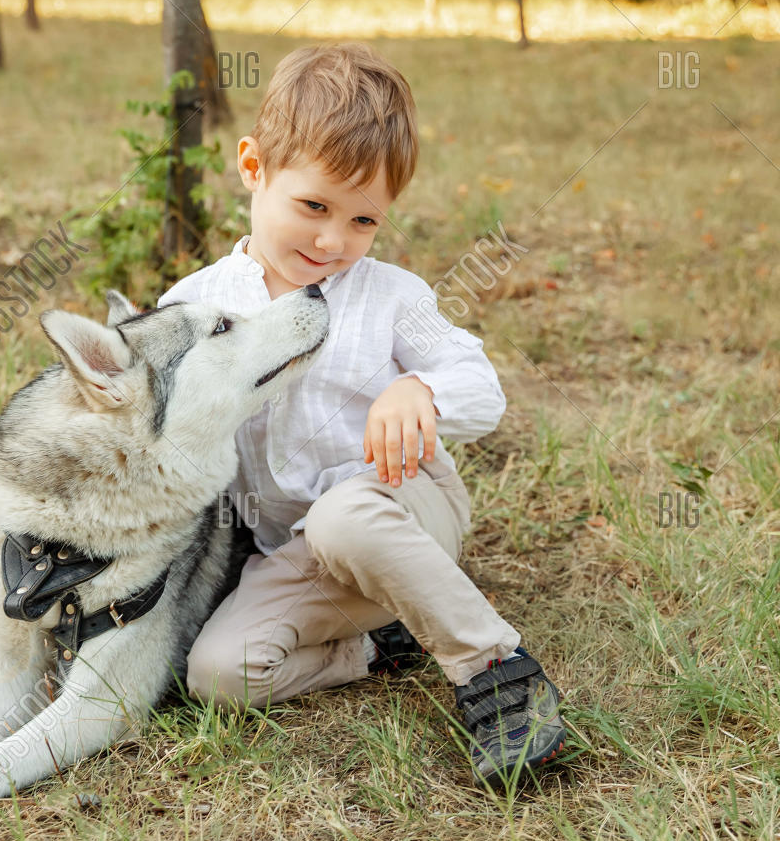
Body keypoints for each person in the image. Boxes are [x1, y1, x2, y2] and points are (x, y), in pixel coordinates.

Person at [156, 42, 570, 783]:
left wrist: (422, 391)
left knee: (345, 514)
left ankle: (498, 671)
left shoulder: (390, 297)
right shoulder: (194, 307)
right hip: (298, 552)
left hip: (406, 512)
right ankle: (380, 645)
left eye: (363, 222)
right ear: (253, 169)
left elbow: (482, 386)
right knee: (218, 676)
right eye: (313, 206)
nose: (332, 241)